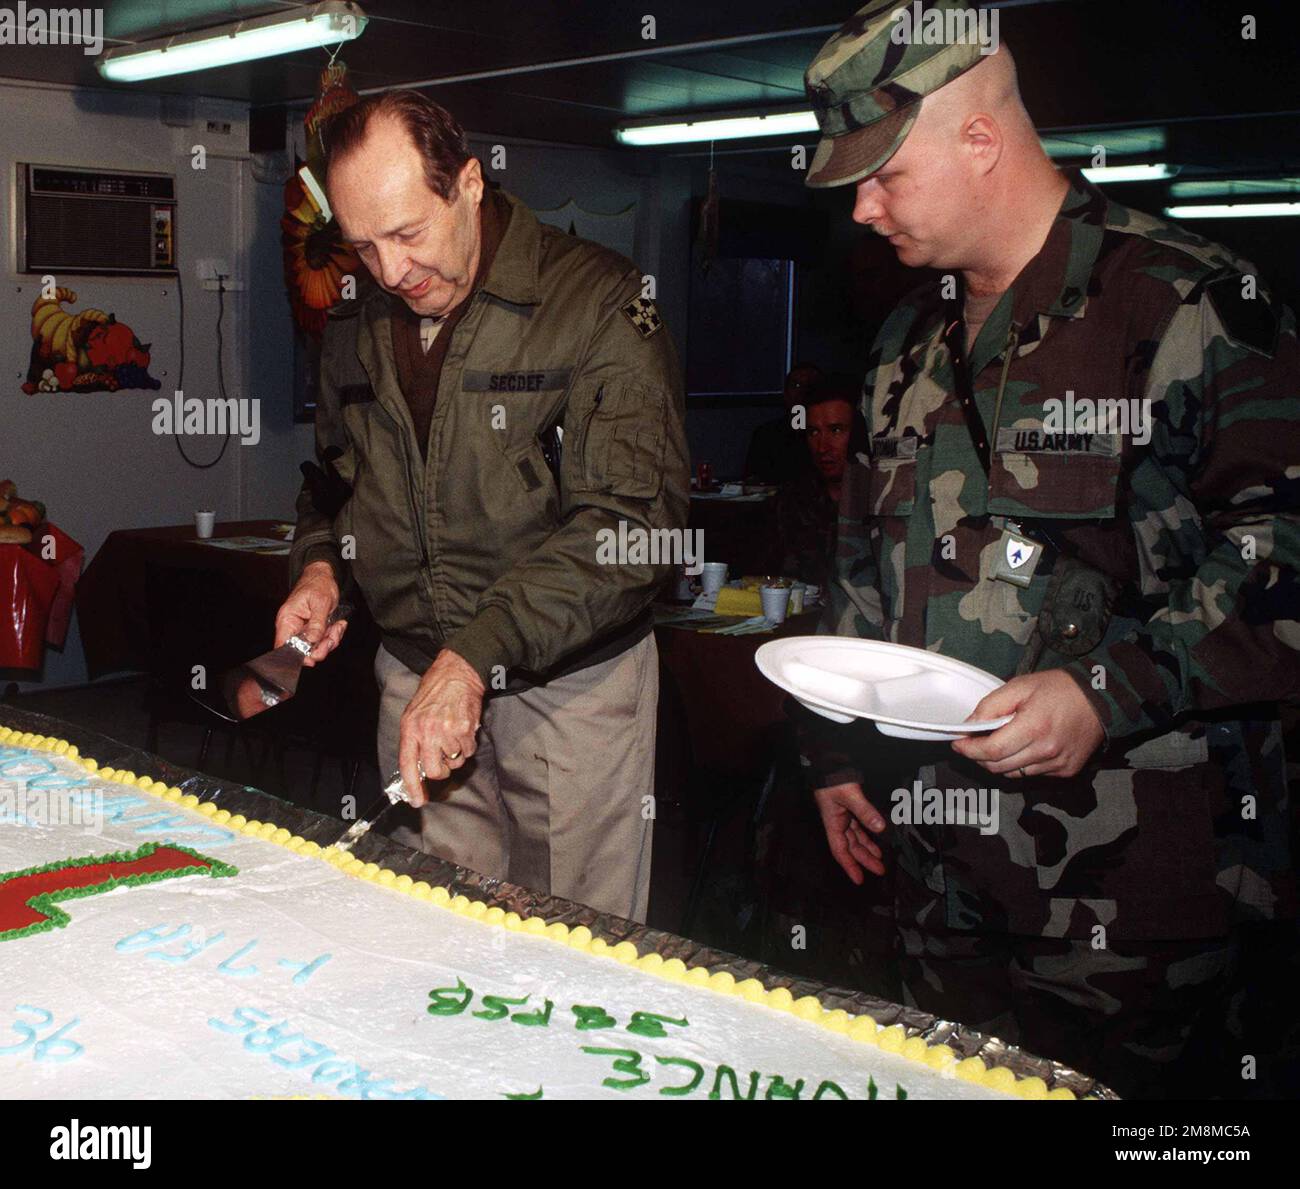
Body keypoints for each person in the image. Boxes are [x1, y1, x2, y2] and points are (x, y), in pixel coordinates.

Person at [800, 2, 1299, 1097]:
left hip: (1136, 896)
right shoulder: (903, 340)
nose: (862, 211)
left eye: (882, 176)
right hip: (940, 873)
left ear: (980, 140)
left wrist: (1106, 689)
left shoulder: (1184, 305)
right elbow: (861, 566)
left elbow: (1282, 559)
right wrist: (834, 750)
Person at [278, 90, 689, 923]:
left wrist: (474, 657)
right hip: (414, 677)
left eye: (407, 234)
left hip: (567, 689)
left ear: (468, 184)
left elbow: (633, 529)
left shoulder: (596, 303)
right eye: (362, 246)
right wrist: (321, 564)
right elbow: (333, 482)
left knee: (576, 944)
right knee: (444, 935)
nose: (390, 271)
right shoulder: (357, 323)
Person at [774, 376, 867, 587]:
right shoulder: (796, 499)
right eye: (814, 432)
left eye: (836, 430)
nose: (822, 446)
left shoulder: (877, 500)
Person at [743, 362, 822, 484]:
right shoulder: (766, 434)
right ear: (786, 393)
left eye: (810, 386)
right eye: (796, 385)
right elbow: (752, 478)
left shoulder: (827, 436)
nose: (803, 392)